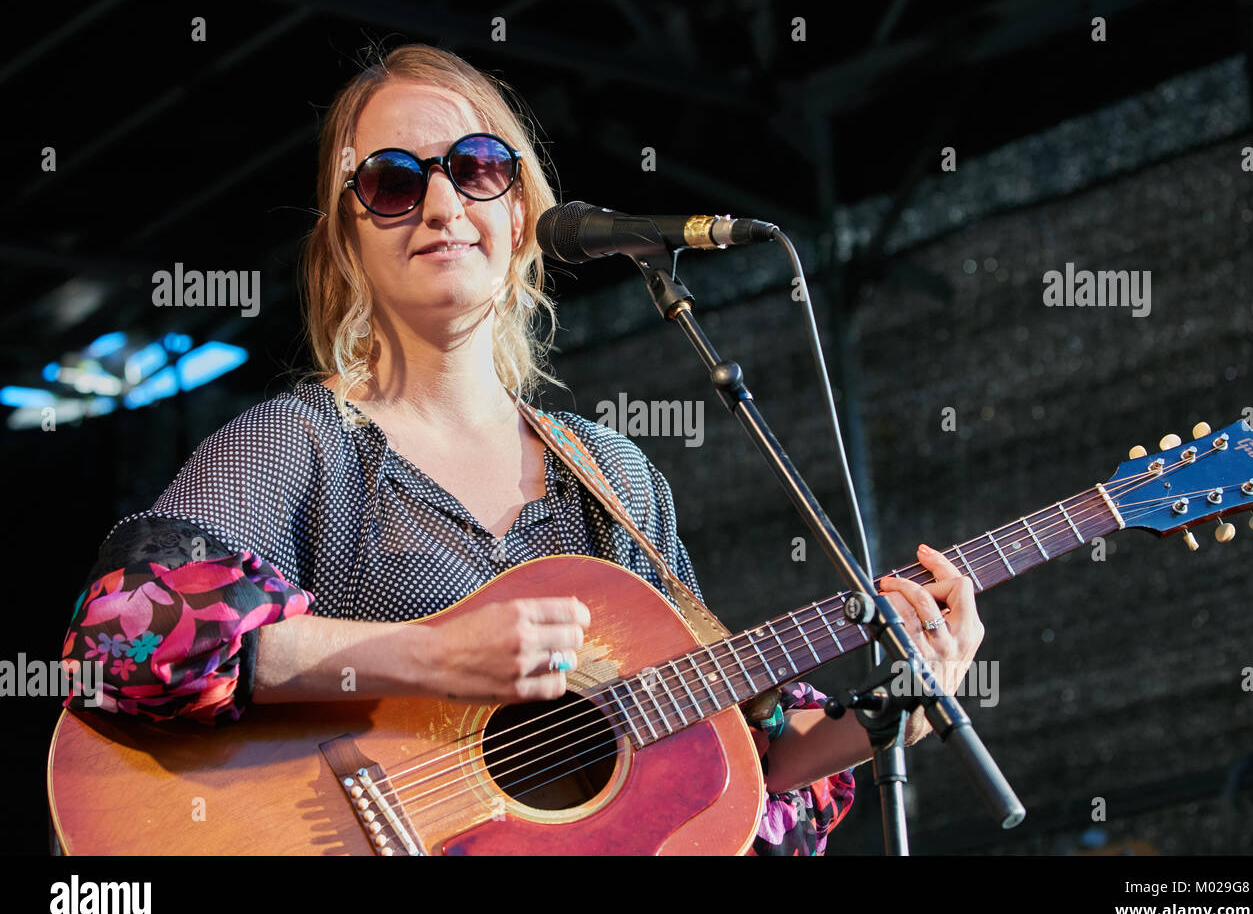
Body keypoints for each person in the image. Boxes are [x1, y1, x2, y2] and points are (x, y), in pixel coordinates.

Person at [60, 44, 985, 855]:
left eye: (476, 168)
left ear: (520, 218)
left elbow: (731, 762)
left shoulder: (614, 478)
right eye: (391, 180)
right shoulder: (298, 446)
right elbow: (125, 643)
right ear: (348, 240)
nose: (439, 203)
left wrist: (892, 709)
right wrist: (434, 657)